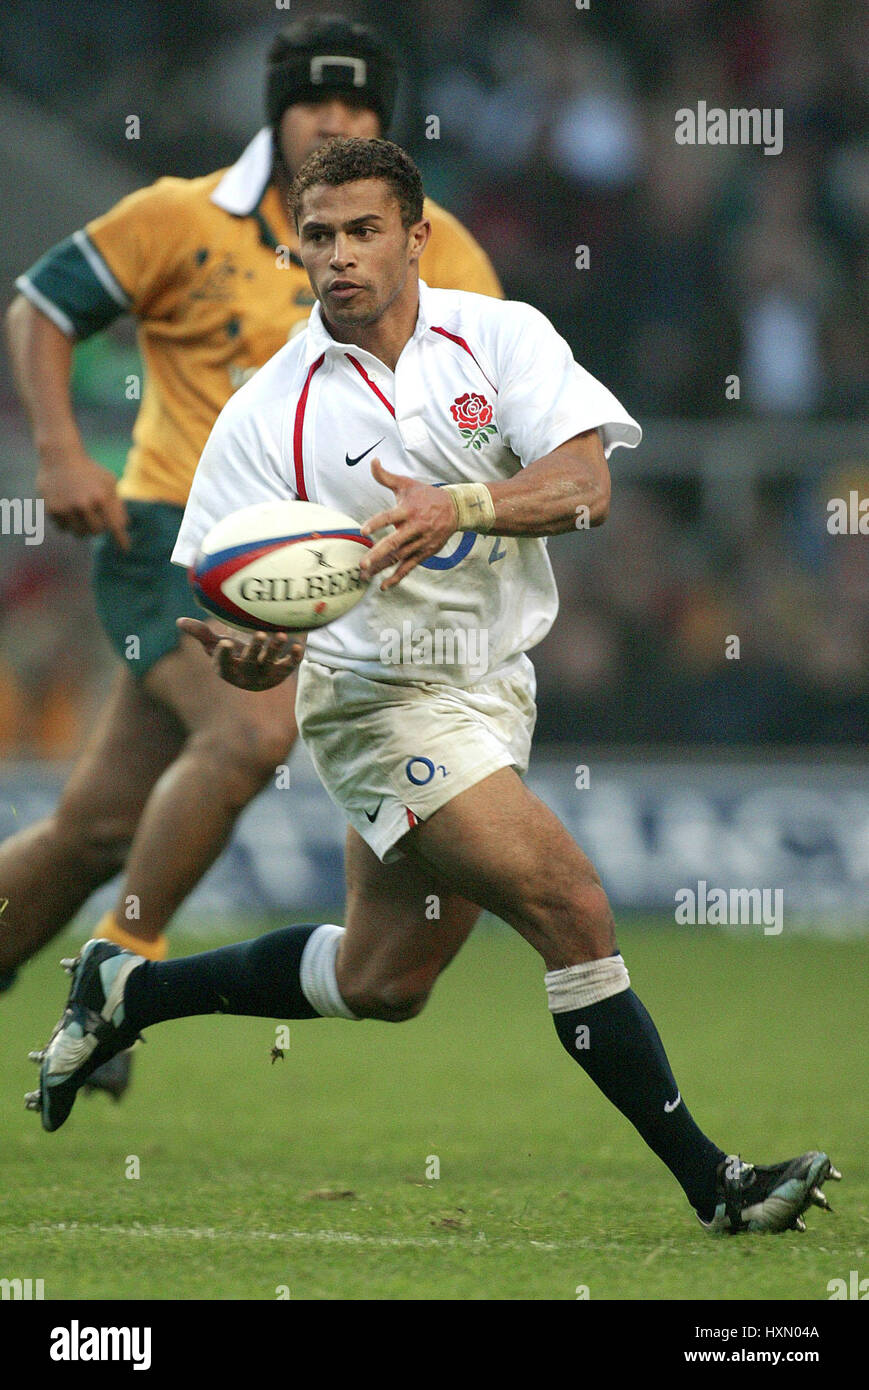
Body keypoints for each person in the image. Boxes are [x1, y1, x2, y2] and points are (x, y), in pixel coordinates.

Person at [26, 137, 840, 1234]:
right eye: (318, 236)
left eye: (364, 230)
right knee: (570, 903)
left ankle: (125, 989)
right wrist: (255, 647)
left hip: (495, 687)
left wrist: (456, 506)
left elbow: (584, 483)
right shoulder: (269, 413)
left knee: (382, 981)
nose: (340, 255)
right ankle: (718, 1185)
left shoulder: (499, 338)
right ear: (296, 249)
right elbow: (232, 607)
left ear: (415, 235)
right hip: (373, 702)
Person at [0, 16, 501, 1096]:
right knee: (251, 733)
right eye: (315, 101)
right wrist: (56, 450)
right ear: (275, 112)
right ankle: (118, 973)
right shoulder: (179, 218)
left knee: (95, 827)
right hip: (169, 538)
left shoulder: (436, 243)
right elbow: (40, 306)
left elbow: (487, 392)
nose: (337, 120)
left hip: (319, 567)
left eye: (361, 106)